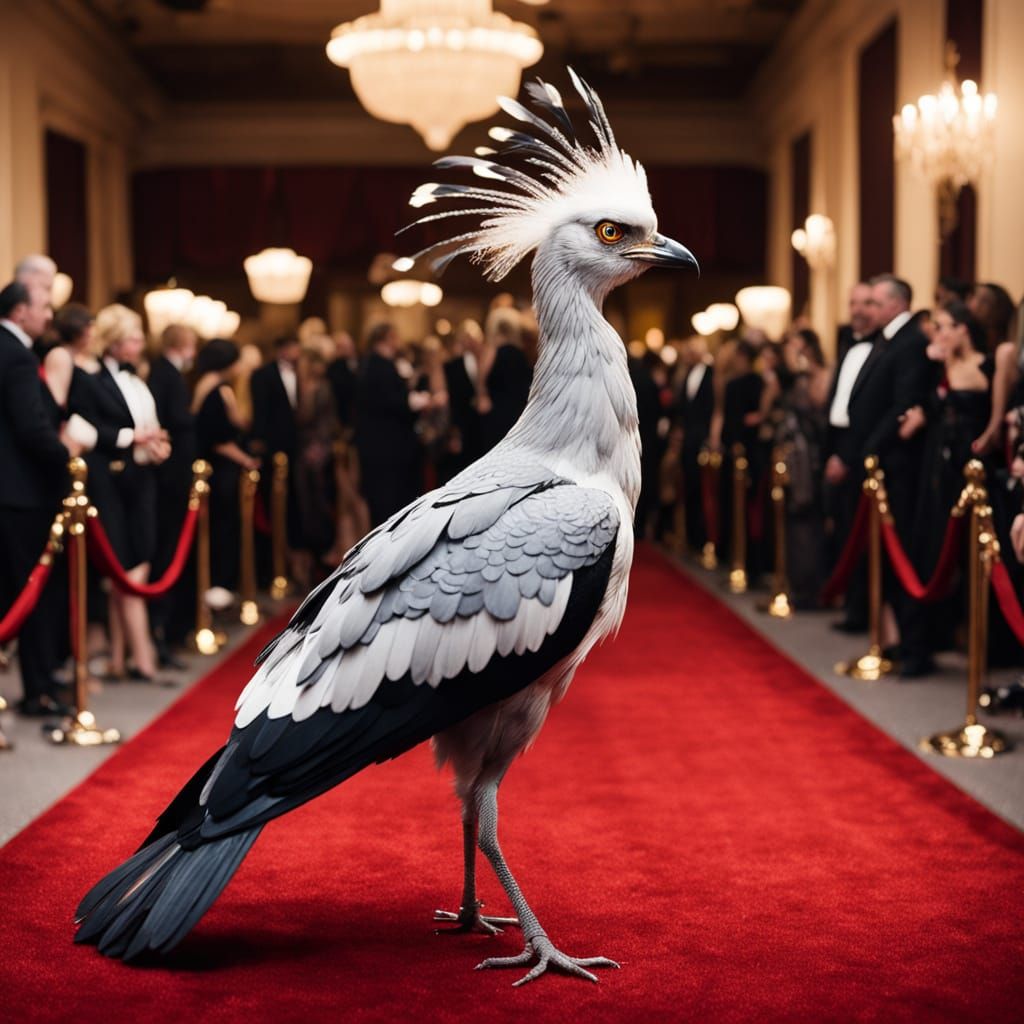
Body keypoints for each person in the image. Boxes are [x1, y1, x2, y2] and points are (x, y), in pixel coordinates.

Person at [897, 302, 993, 675]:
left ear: (963, 329)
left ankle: (978, 643)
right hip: (935, 470)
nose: (937, 335)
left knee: (972, 557)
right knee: (928, 552)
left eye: (943, 327)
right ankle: (921, 644)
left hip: (970, 473)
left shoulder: (985, 365)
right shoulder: (936, 369)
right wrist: (932, 366)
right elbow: (918, 407)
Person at [0, 280, 76, 716]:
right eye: (43, 307)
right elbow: (31, 427)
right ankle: (39, 690)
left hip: (11, 492)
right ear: (19, 311)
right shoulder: (16, 355)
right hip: (21, 493)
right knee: (31, 594)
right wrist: (67, 456)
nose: (49, 316)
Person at [92, 304, 170, 683]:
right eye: (133, 338)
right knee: (126, 569)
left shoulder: (138, 381)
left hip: (142, 479)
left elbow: (151, 426)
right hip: (112, 483)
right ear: (114, 341)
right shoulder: (94, 381)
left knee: (137, 564)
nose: (140, 344)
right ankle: (143, 658)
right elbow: (92, 430)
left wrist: (159, 444)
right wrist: (134, 438)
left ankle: (119, 658)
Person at [822, 281, 878, 631]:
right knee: (843, 531)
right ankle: (851, 606)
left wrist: (845, 456)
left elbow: (868, 411)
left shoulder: (881, 349)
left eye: (866, 303)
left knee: (862, 536)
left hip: (858, 450)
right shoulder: (847, 344)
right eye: (853, 303)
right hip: (838, 443)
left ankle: (862, 611)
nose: (858, 310)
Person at [147, 324, 198, 666]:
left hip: (174, 478)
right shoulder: (165, 375)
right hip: (170, 481)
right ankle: (163, 630)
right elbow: (175, 421)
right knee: (167, 553)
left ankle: (172, 628)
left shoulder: (167, 374)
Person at [193, 339, 259, 594]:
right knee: (225, 528)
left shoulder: (206, 385)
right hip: (223, 472)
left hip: (218, 469)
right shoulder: (217, 390)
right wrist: (246, 460)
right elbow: (219, 440)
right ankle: (222, 584)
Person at [355, 323, 424, 526]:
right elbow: (390, 401)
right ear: (387, 338)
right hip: (387, 448)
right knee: (388, 504)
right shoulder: (380, 365)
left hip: (378, 446)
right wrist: (414, 402)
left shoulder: (369, 363)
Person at [677, 336, 714, 552]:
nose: (688, 355)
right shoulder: (687, 374)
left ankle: (703, 538)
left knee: (703, 491)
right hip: (688, 441)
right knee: (689, 488)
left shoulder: (711, 374)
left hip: (702, 439)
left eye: (691, 351)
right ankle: (691, 538)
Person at [478, 307, 532, 453]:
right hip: (518, 413)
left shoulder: (492, 353)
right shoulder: (522, 354)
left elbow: (481, 381)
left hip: (496, 415)